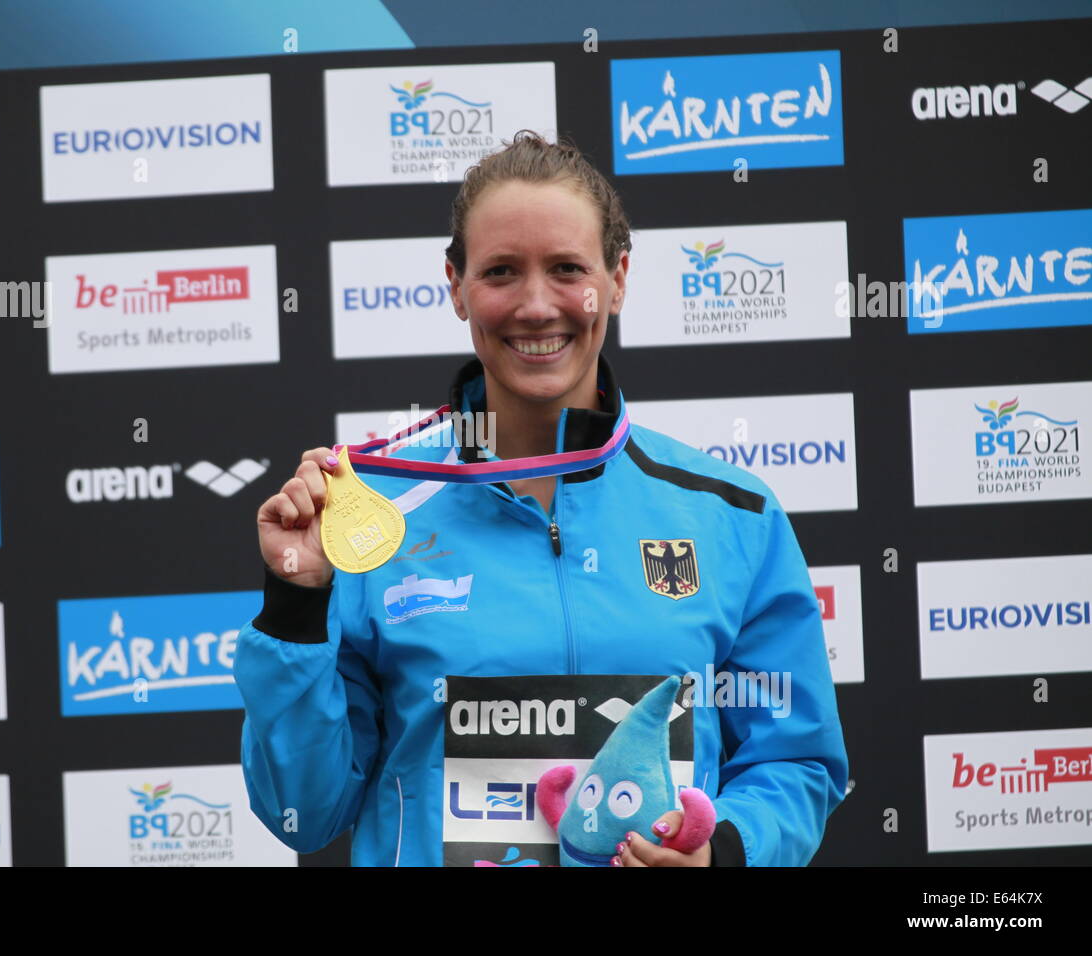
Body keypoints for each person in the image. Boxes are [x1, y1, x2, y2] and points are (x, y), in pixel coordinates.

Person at [235, 129, 848, 867]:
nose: (535, 305)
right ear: (455, 285)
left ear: (617, 278)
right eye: (500, 272)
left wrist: (721, 850)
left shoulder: (731, 515)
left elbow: (796, 762)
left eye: (567, 269)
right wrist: (296, 605)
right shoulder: (368, 515)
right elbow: (305, 813)